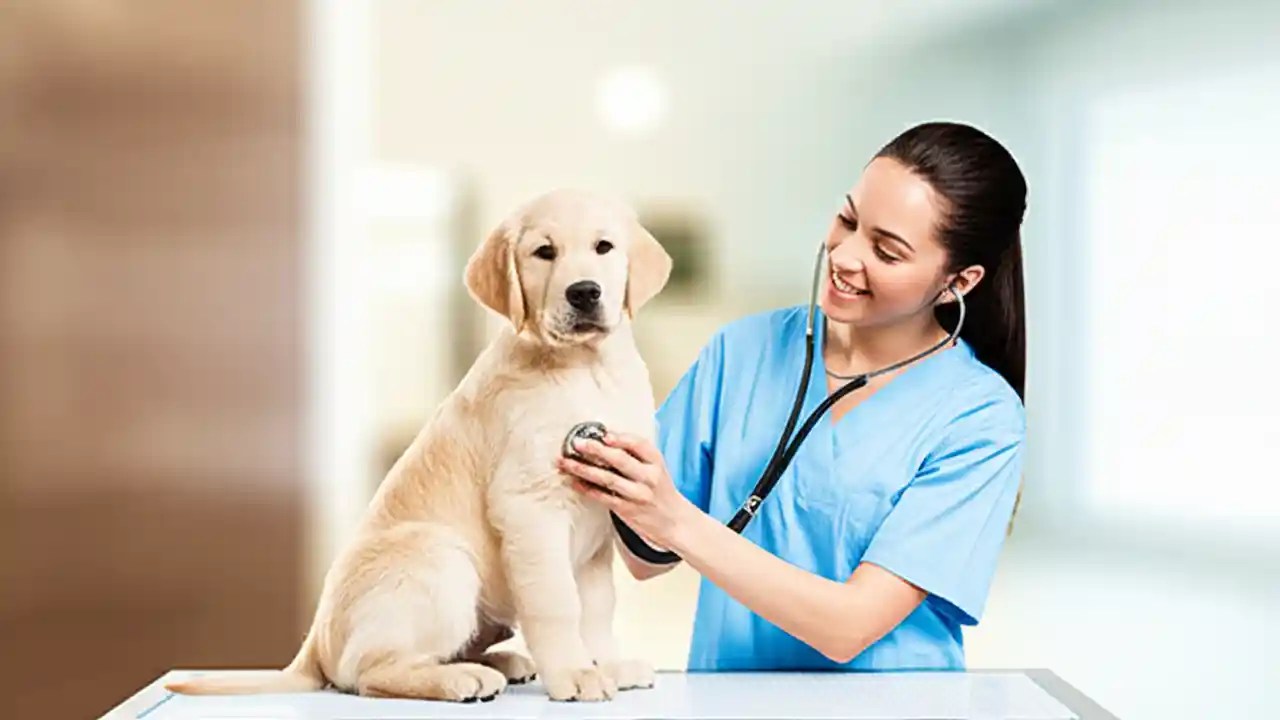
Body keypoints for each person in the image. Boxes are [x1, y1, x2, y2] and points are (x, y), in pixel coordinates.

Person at [556, 120, 1027, 672]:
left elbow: (849, 627)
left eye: (888, 251)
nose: (846, 256)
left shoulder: (980, 416)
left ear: (960, 281)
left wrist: (677, 519)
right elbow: (648, 557)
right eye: (848, 220)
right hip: (730, 701)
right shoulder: (743, 350)